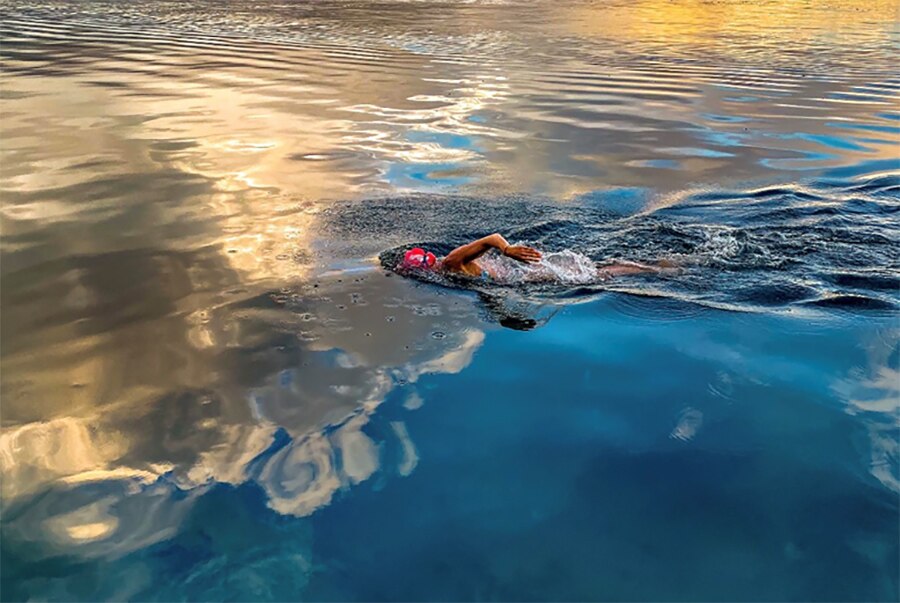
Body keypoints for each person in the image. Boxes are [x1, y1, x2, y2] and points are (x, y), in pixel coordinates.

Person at [401, 233, 672, 280]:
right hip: (516, 274)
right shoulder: (447, 266)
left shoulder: (449, 263)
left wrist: (507, 250)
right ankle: (657, 266)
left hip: (521, 275)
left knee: (597, 275)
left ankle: (659, 270)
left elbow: (491, 239)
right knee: (597, 269)